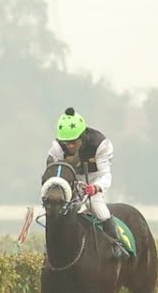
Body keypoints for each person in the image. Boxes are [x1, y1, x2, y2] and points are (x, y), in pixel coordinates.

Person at [46, 107, 126, 258]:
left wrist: (96, 187)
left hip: (94, 178)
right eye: (66, 142)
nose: (70, 146)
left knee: (94, 205)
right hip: (72, 180)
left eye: (74, 142)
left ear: (82, 136)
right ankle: (51, 247)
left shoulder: (100, 144)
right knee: (57, 210)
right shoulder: (56, 147)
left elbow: (105, 175)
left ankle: (117, 243)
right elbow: (53, 171)